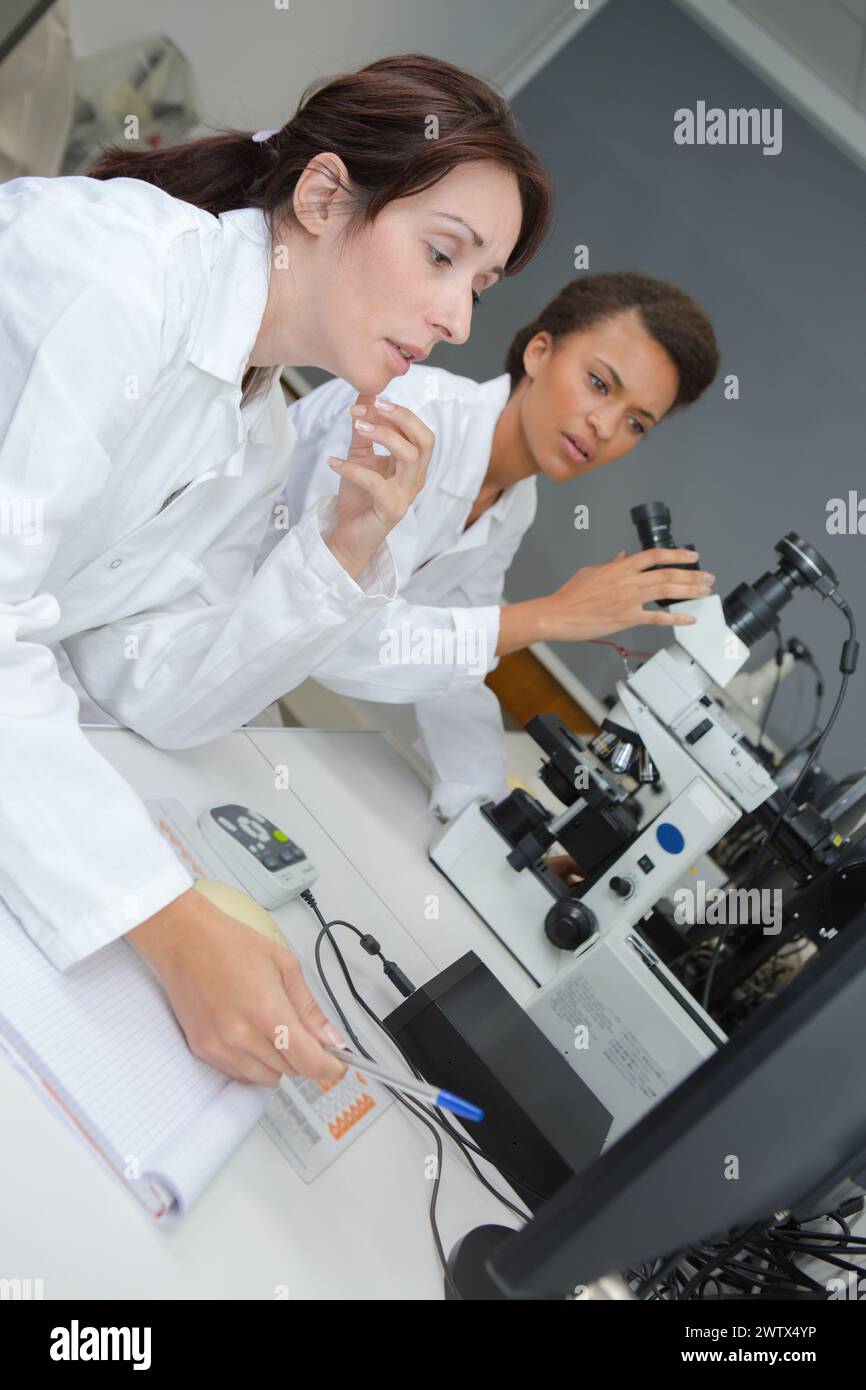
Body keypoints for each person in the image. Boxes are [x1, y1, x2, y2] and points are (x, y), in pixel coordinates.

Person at [0, 53, 552, 1087]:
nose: (459, 321)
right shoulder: (113, 277)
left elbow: (152, 688)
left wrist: (340, 553)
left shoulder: (252, 428)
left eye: (477, 286)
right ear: (324, 197)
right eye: (441, 256)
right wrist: (166, 921)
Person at [259, 272, 719, 820]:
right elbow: (328, 634)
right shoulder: (409, 416)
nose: (604, 426)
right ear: (540, 351)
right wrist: (550, 617)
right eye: (599, 384)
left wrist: (492, 816)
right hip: (184, 633)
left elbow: (453, 659)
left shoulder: (512, 503)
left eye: (636, 423)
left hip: (244, 670)